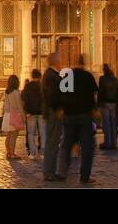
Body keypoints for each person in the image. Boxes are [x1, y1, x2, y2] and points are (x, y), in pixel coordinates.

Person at [58, 54, 99, 184]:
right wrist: (95, 110)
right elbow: (94, 96)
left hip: (69, 115)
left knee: (66, 145)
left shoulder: (67, 76)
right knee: (87, 147)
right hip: (85, 116)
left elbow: (61, 95)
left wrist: (62, 109)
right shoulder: (88, 76)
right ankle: (84, 176)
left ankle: (62, 172)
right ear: (84, 63)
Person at [42, 51, 65, 181]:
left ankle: (51, 170)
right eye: (60, 60)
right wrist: (58, 108)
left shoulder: (51, 74)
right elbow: (52, 95)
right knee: (52, 142)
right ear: (56, 61)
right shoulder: (51, 75)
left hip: (53, 110)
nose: (62, 62)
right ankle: (49, 172)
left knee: (54, 142)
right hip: (53, 112)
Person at [97, 64, 118, 150]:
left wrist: (98, 104)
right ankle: (114, 143)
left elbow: (100, 92)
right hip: (113, 104)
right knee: (113, 123)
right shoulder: (115, 79)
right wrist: (116, 100)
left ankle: (108, 143)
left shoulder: (102, 79)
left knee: (106, 124)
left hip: (105, 103)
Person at [2, 74, 25, 160]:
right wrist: (22, 116)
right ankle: (12, 153)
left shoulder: (6, 91)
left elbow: (5, 105)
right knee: (14, 136)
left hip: (7, 115)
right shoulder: (16, 92)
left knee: (9, 135)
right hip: (14, 115)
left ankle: (8, 152)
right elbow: (19, 106)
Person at [22, 68, 44, 157]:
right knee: (42, 133)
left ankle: (32, 153)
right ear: (40, 76)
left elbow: (24, 99)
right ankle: (43, 152)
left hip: (30, 113)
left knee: (31, 133)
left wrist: (27, 111)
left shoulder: (27, 86)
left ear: (32, 76)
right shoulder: (43, 86)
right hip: (42, 113)